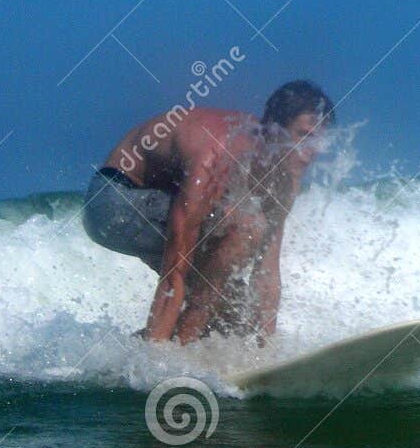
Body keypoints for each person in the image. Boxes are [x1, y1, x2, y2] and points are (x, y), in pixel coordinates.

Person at [82, 80, 333, 343]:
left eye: (319, 140)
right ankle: (171, 351)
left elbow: (267, 272)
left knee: (234, 318)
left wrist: (266, 349)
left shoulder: (285, 177)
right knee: (247, 228)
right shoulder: (216, 154)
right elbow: (175, 270)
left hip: (161, 201)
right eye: (303, 135)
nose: (310, 152)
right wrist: (160, 366)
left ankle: (126, 356)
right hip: (113, 201)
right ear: (273, 129)